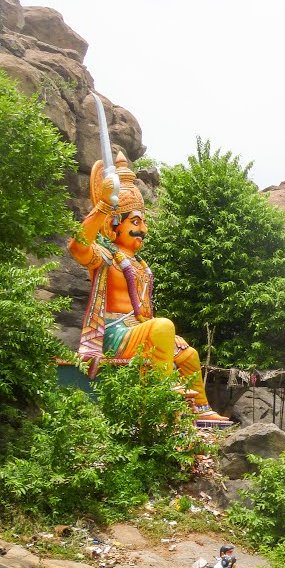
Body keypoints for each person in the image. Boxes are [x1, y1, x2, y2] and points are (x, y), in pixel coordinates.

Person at [67, 149, 230, 426]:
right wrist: (104, 206)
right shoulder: (106, 256)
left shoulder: (140, 265)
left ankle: (201, 412)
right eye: (135, 222)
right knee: (164, 327)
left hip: (139, 327)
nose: (142, 229)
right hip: (114, 333)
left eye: (143, 222)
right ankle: (159, 394)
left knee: (188, 354)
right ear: (113, 227)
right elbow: (77, 246)